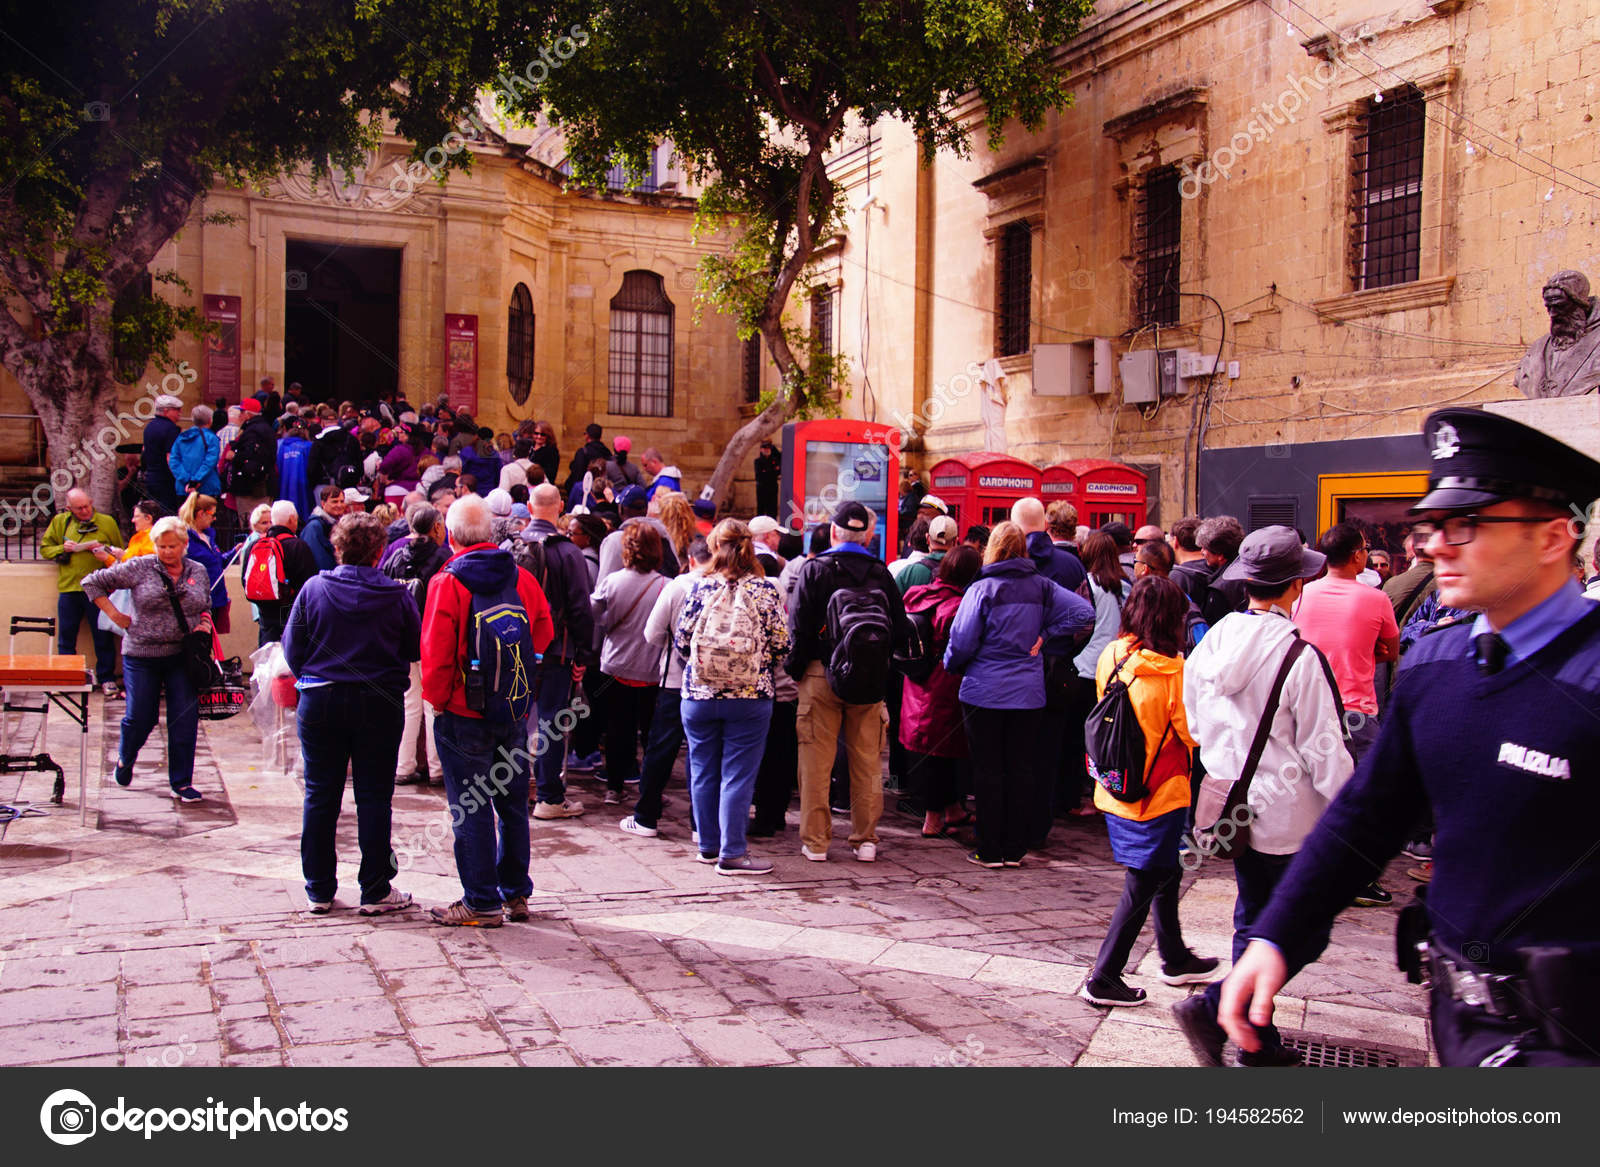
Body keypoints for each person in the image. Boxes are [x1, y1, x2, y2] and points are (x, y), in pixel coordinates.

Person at [1215, 411, 1600, 1067]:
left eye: (1467, 525)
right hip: (1456, 1020)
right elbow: (1365, 820)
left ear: (1555, 536)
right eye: (1434, 525)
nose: (1436, 546)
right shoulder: (1433, 666)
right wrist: (1275, 936)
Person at [1171, 525, 1353, 1067]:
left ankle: (1255, 1037)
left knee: (1254, 919)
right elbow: (1326, 753)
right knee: (1305, 930)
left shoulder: (1216, 638)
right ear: (1296, 586)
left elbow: (1197, 726)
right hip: (1289, 819)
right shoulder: (1300, 656)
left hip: (1230, 809)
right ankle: (1215, 1005)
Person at [1079, 575, 1218, 1007]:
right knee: (1145, 878)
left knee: (1165, 868)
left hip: (1117, 784)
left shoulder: (1114, 654)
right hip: (1160, 791)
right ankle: (1104, 975)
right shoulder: (1174, 674)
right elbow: (1193, 735)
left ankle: (1174, 955)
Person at [420, 494, 554, 927]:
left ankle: (480, 900)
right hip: (513, 709)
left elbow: (437, 657)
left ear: (451, 533)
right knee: (512, 806)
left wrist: (439, 702)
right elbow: (544, 633)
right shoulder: (520, 577)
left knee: (470, 806)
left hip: (465, 711)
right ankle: (515, 894)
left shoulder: (448, 582)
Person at [285, 512, 420, 915]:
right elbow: (413, 648)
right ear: (380, 552)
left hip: (322, 698)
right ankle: (375, 887)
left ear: (337, 548)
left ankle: (319, 888)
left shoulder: (313, 589)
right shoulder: (397, 596)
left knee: (320, 793)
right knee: (374, 796)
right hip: (378, 701)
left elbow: (294, 650)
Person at [944, 521, 1094, 868]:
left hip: (983, 691)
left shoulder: (982, 589)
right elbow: (1085, 613)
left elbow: (962, 640)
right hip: (1028, 693)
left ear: (992, 548)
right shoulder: (1042, 586)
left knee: (987, 770)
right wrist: (1047, 633)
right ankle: (1014, 848)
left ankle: (989, 848)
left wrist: (952, 664)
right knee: (1021, 768)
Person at [785, 501, 907, 863]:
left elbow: (799, 629)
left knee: (815, 761)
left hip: (821, 673)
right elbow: (900, 630)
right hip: (868, 678)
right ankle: (866, 839)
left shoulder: (815, 570)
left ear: (834, 532)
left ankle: (817, 842)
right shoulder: (880, 572)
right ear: (868, 536)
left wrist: (798, 671)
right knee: (868, 761)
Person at [673, 519, 792, 874]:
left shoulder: (698, 587)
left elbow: (681, 641)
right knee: (738, 775)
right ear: (750, 546)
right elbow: (782, 645)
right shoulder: (765, 590)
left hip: (698, 693)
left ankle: (708, 847)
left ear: (713, 545)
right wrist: (755, 663)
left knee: (702, 769)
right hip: (750, 696)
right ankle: (733, 853)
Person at [82, 517, 213, 801]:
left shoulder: (198, 571)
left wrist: (204, 622)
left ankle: (181, 782)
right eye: (161, 546)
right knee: (141, 716)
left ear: (184, 545)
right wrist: (114, 615)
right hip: (142, 654)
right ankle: (125, 757)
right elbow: (91, 583)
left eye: (172, 546)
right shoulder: (140, 567)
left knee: (184, 718)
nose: (166, 551)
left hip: (182, 655)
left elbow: (205, 605)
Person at [623, 537, 713, 839]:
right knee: (704, 753)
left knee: (661, 749)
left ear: (690, 558)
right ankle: (702, 825)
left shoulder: (677, 587)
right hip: (715, 685)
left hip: (675, 680)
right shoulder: (727, 586)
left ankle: (646, 816)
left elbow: (652, 634)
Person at [1294, 522, 1399, 767]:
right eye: (1365, 549)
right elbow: (1392, 651)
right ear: (1356, 555)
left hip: (1310, 709)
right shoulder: (1378, 599)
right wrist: (1363, 650)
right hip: (1356, 711)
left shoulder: (1301, 596)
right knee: (1363, 790)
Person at [900, 546, 982, 838]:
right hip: (945, 683)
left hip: (916, 682)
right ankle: (933, 819)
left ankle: (952, 811)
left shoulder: (918, 594)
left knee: (929, 750)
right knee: (943, 752)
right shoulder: (959, 605)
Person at [590, 522, 669, 805]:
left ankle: (614, 786)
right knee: (651, 734)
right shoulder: (666, 586)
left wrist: (607, 624)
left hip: (615, 665)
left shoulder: (612, 581)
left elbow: (592, 612)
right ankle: (651, 791)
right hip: (651, 670)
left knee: (616, 728)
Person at [383, 503, 451, 786]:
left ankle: (403, 766)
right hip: (431, 638)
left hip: (400, 638)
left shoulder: (396, 555)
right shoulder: (443, 556)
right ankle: (437, 770)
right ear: (436, 527)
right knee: (433, 705)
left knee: (408, 703)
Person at [40, 488, 124, 694]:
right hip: (70, 587)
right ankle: (67, 677)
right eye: (79, 508)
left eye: (87, 506)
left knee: (102, 635)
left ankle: (106, 678)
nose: (85, 511)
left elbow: (120, 553)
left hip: (99, 588)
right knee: (66, 636)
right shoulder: (61, 522)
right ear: (69, 509)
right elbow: (45, 548)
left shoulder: (106, 522)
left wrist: (103, 550)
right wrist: (63, 548)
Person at [252, 501, 319, 646]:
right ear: (291, 519)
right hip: (292, 612)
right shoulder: (298, 546)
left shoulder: (257, 545)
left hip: (265, 611)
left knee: (268, 658)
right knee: (290, 659)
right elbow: (309, 583)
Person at [178, 493, 231, 634]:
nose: (214, 518)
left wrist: (234, 552)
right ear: (201, 514)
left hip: (216, 599)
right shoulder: (185, 539)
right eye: (212, 514)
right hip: (198, 601)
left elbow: (218, 563)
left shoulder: (208, 536)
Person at [226, 397, 277, 521]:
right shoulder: (265, 428)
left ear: (248, 414)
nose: (240, 415)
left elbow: (252, 457)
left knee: (253, 523)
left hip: (253, 490)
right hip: (264, 485)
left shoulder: (253, 432)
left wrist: (234, 456)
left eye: (242, 412)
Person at [1196, 515, 1248, 626]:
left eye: (1205, 548)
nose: (1202, 552)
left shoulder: (1220, 591)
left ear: (1220, 554)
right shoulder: (1251, 572)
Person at [141, 395, 184, 515]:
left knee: (154, 514)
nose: (180, 413)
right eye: (176, 410)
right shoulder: (171, 429)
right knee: (168, 516)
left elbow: (144, 451)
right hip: (166, 481)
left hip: (151, 478)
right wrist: (182, 478)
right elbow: (171, 457)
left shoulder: (149, 427)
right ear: (166, 411)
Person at [895, 514, 958, 593]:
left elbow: (893, 602)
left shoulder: (909, 572)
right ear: (955, 541)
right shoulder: (963, 571)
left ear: (927, 538)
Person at [300, 484, 348, 573]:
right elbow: (320, 561)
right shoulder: (314, 527)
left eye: (342, 501)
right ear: (323, 503)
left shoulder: (336, 524)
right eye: (334, 501)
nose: (339, 505)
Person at [755, 439, 782, 519]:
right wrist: (773, 471)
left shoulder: (774, 460)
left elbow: (778, 471)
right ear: (761, 450)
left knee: (772, 510)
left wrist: (768, 471)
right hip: (762, 489)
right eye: (764, 448)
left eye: (768, 448)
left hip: (772, 488)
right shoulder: (758, 461)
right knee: (761, 510)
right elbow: (760, 476)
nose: (767, 450)